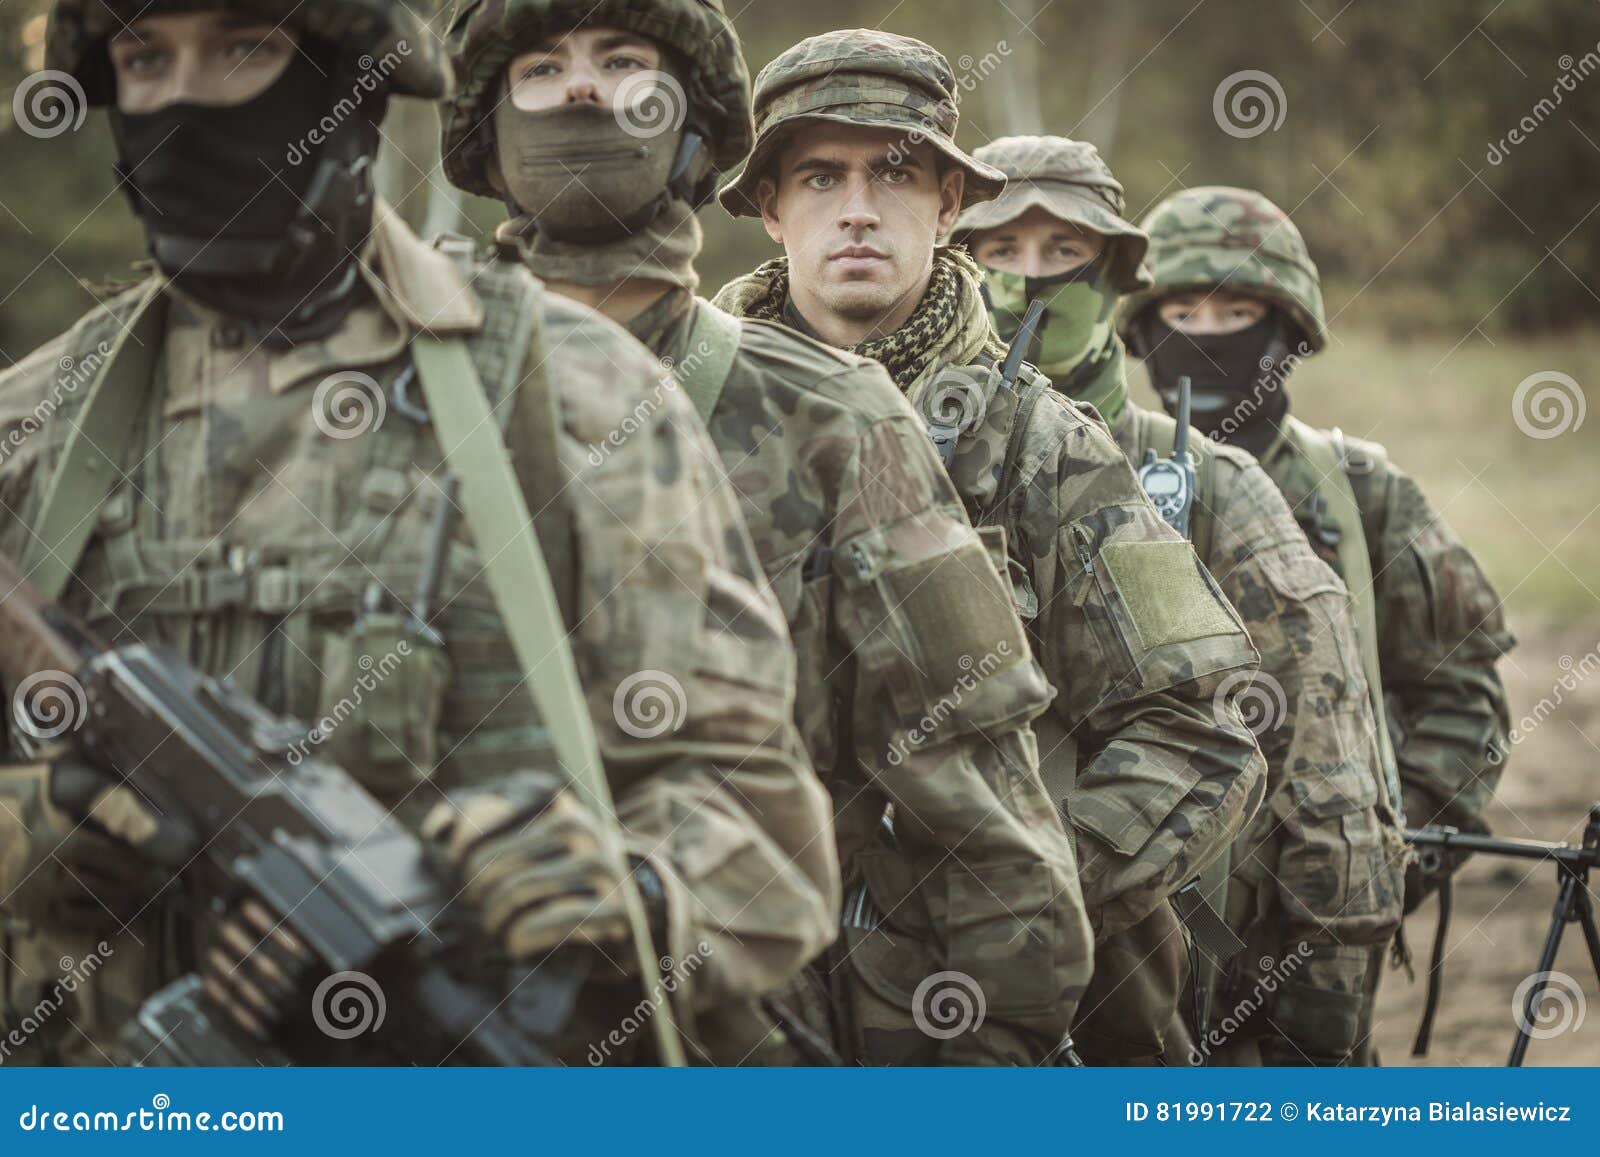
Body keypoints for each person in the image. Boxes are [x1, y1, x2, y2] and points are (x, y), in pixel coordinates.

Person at [0, 0, 837, 1066]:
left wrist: (639, 886)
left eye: (245, 48)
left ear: (351, 82)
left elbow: (757, 812)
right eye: (144, 58)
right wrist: (33, 830)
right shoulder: (32, 430)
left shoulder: (573, 395)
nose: (184, 98)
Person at [440, 0, 1091, 1066]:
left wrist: (993, 1050)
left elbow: (971, 801)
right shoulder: (393, 390)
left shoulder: (830, 411)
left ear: (692, 129)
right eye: (541, 70)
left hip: (728, 1027)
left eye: (622, 60)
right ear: (484, 133)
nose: (585, 91)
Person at [713, 28, 1269, 1061]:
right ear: (766, 206)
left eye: (895, 174)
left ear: (949, 203)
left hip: (991, 1034)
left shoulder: (1041, 447)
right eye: (820, 177)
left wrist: (1020, 888)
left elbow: (1203, 728)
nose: (859, 210)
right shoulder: (670, 423)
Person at [954, 136, 1405, 1065]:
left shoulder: (1210, 485)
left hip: (1184, 995)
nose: (1027, 282)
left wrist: (1299, 1056)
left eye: (1062, 253)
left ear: (1118, 271)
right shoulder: (887, 450)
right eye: (997, 252)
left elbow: (1328, 792)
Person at [1120, 185, 1515, 1061]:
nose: (1207, 330)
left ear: (1288, 328)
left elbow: (1463, 699)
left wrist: (1380, 847)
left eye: (1238, 308)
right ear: (1143, 327)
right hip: (1131, 929)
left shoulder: (1362, 494)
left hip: (1311, 951)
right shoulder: (1094, 477)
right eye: (1182, 308)